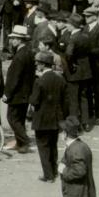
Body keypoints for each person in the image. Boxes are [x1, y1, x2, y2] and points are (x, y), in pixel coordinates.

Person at [29, 51, 69, 183]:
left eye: (37, 63)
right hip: (56, 118)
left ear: (42, 65)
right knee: (53, 145)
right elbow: (65, 100)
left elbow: (34, 101)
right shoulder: (60, 79)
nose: (36, 65)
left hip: (42, 119)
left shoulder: (39, 81)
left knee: (43, 147)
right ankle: (54, 169)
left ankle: (48, 175)